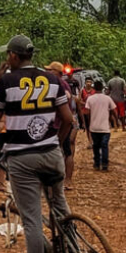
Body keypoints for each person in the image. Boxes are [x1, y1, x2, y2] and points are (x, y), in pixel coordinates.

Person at [0, 35, 73, 253]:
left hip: (22, 157)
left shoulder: (8, 81)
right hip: (51, 154)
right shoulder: (52, 80)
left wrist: (2, 80)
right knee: (61, 208)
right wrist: (55, 145)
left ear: (13, 56)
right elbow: (68, 119)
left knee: (32, 220)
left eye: (8, 55)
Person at [45, 62, 79, 190]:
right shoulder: (56, 84)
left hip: (61, 123)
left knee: (65, 150)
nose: (47, 72)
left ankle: (67, 180)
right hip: (57, 123)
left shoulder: (61, 85)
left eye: (50, 70)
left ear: (57, 73)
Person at [86, 81, 117, 171]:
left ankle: (96, 163)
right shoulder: (107, 98)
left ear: (94, 88)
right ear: (102, 88)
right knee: (104, 146)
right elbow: (114, 110)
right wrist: (116, 121)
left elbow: (87, 113)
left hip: (94, 127)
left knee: (96, 146)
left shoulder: (90, 99)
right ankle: (104, 164)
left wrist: (89, 122)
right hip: (105, 128)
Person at [80, 77, 96, 147]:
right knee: (87, 127)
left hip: (94, 112)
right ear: (85, 83)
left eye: (90, 82)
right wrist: (85, 104)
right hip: (85, 111)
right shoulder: (82, 91)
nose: (88, 83)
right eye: (87, 82)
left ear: (92, 83)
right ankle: (90, 141)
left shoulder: (94, 91)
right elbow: (79, 100)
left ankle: (94, 140)